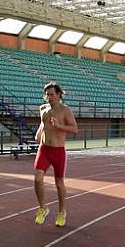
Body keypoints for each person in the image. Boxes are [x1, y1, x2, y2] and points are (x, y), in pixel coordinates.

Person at [33, 81, 78, 226]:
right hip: (44, 149)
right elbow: (43, 123)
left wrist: (59, 126)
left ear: (58, 95)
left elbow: (74, 129)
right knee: (38, 179)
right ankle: (43, 208)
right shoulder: (43, 109)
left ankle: (61, 212)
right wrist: (39, 133)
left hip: (58, 151)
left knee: (59, 184)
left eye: (52, 94)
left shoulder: (65, 110)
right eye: (47, 95)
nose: (49, 97)